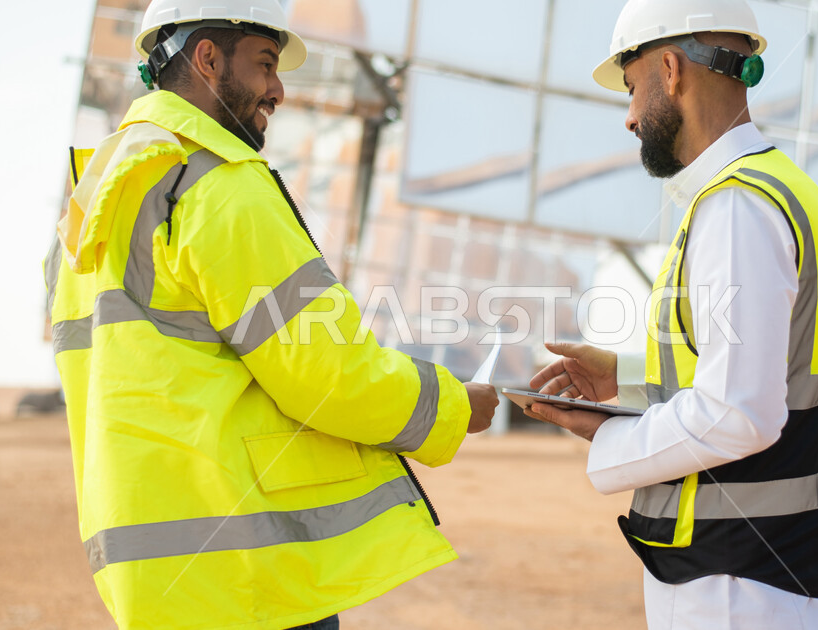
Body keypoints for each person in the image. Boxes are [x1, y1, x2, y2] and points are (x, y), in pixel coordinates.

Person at [43, 1, 497, 628]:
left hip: (154, 575)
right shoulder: (217, 182)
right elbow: (327, 372)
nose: (278, 89)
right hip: (245, 572)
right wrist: (451, 407)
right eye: (265, 64)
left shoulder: (92, 200)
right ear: (207, 59)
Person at [525, 0, 818, 628]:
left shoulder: (735, 210)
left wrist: (609, 441)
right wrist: (624, 380)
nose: (629, 118)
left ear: (670, 69)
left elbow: (738, 413)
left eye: (630, 87)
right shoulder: (781, 189)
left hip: (745, 589)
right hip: (799, 579)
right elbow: (762, 367)